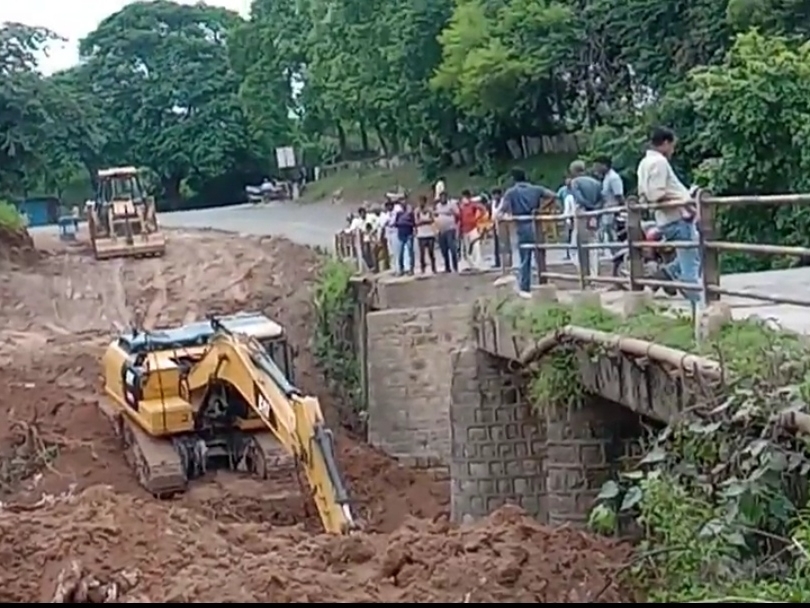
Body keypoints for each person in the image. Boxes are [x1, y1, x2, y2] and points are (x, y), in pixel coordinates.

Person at [636, 126, 699, 303]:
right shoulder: (660, 163)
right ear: (665, 143)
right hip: (676, 217)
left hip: (666, 218)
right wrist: (683, 200)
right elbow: (656, 194)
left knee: (696, 253)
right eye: (672, 146)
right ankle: (699, 309)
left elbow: (644, 194)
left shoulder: (644, 163)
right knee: (690, 266)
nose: (673, 150)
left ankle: (667, 273)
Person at [497, 168, 557, 297]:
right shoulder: (536, 189)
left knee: (525, 257)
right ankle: (543, 283)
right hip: (536, 223)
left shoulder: (511, 192)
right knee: (540, 255)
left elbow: (502, 210)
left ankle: (525, 287)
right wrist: (541, 208)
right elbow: (553, 195)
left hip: (522, 224)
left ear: (513, 179)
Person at [568, 160, 603, 280]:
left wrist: (588, 207)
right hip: (594, 214)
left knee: (577, 243)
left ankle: (583, 272)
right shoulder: (596, 183)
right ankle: (594, 274)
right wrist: (594, 209)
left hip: (582, 212)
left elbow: (579, 198)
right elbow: (601, 199)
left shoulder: (575, 182)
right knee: (593, 243)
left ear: (574, 171)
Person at [594, 156, 624, 257]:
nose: (596, 169)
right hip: (607, 210)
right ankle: (614, 254)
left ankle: (617, 253)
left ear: (604, 165)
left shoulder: (613, 178)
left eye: (598, 166)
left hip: (613, 209)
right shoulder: (606, 178)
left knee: (612, 233)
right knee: (607, 232)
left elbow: (619, 195)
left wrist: (621, 210)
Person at [458, 190, 488, 270]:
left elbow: (483, 209)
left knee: (476, 246)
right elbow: (460, 218)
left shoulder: (473, 205)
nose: (463, 199)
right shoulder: (462, 206)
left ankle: (478, 264)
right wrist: (460, 230)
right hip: (464, 229)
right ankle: (470, 265)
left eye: (465, 197)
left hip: (473, 228)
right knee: (467, 249)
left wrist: (476, 218)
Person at [434, 191, 459, 272]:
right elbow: (436, 215)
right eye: (441, 197)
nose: (443, 199)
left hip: (450, 229)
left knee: (452, 248)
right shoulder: (438, 206)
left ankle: (455, 266)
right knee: (443, 249)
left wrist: (450, 213)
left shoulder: (451, 204)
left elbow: (457, 213)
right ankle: (447, 267)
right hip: (441, 230)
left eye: (444, 197)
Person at [415, 195, 437, 274]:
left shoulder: (429, 210)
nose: (421, 203)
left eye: (422, 202)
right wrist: (426, 221)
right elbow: (416, 222)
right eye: (420, 202)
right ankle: (422, 268)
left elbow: (432, 220)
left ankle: (434, 268)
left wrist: (423, 221)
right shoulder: (417, 211)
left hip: (430, 233)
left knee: (431, 252)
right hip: (421, 234)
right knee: (422, 253)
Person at [394, 200, 416, 275]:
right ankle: (401, 269)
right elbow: (395, 223)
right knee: (400, 252)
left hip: (409, 233)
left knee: (410, 251)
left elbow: (413, 223)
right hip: (401, 234)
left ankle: (411, 268)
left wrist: (406, 223)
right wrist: (400, 223)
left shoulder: (410, 213)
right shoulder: (398, 214)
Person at [558, 176, 574, 260]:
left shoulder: (575, 191)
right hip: (568, 213)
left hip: (572, 214)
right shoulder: (563, 191)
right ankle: (568, 253)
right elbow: (558, 199)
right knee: (568, 235)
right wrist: (561, 209)